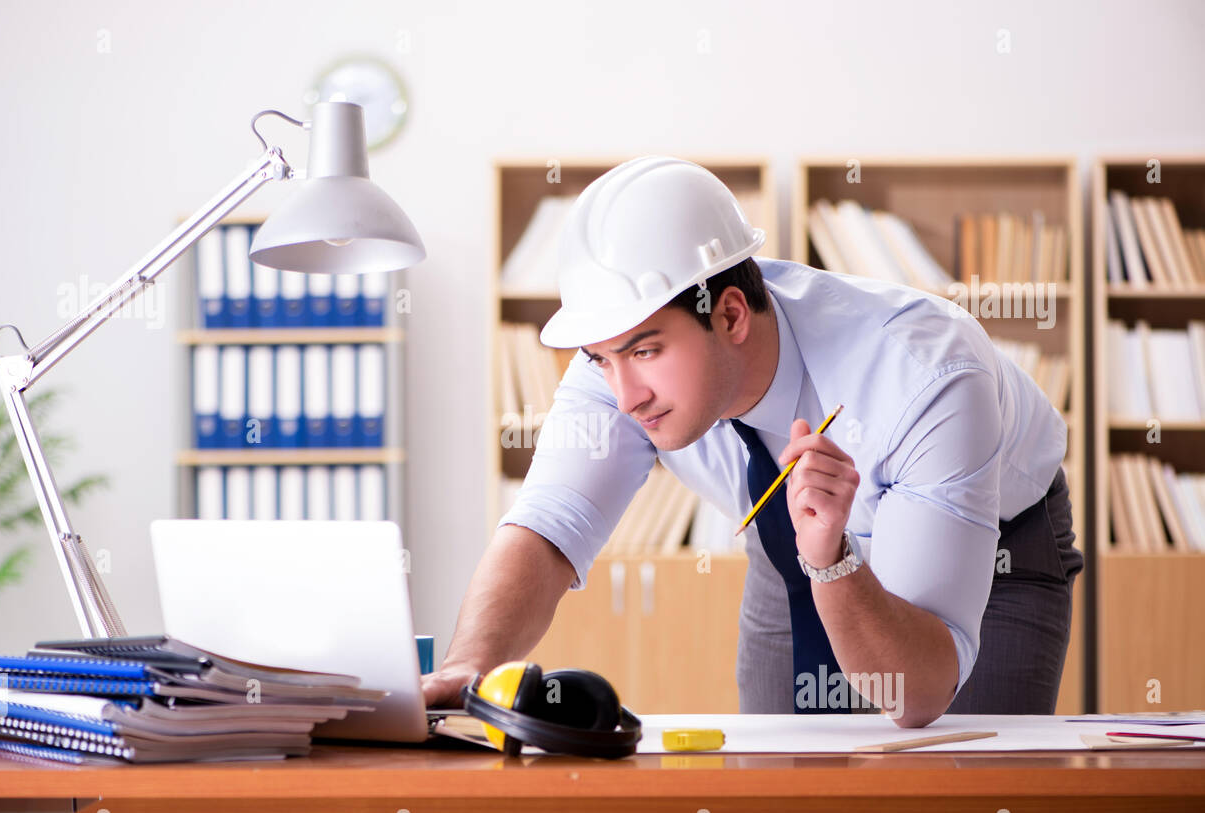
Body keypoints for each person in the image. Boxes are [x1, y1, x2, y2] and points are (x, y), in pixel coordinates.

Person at [423, 156, 1083, 728]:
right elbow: (546, 527)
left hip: (998, 548)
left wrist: (830, 560)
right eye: (602, 358)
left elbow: (919, 690)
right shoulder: (616, 368)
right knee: (774, 788)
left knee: (959, 800)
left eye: (647, 351)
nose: (626, 397)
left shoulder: (925, 372)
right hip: (793, 541)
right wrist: (465, 669)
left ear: (732, 314)